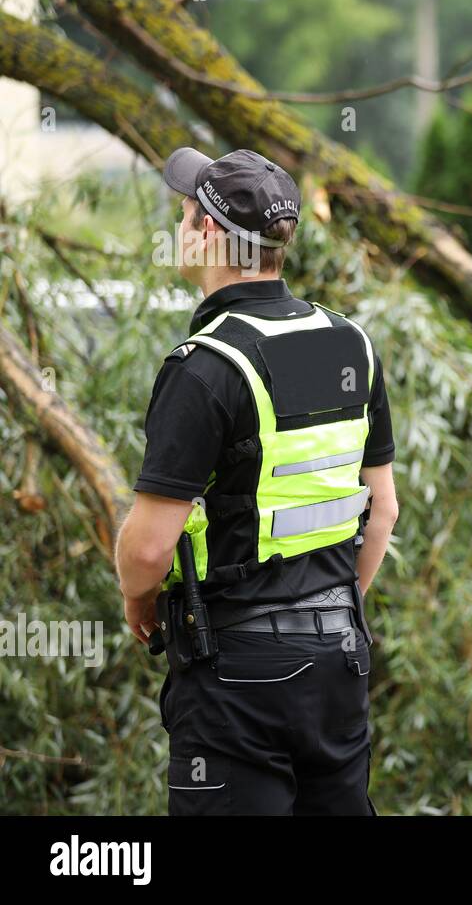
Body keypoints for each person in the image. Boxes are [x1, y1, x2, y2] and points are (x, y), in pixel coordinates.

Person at [114, 147, 399, 813]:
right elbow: (380, 511)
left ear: (207, 233)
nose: (180, 229)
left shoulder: (206, 365)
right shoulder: (348, 343)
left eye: (184, 216)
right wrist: (328, 610)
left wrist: (138, 599)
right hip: (339, 658)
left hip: (237, 675)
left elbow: (151, 550)